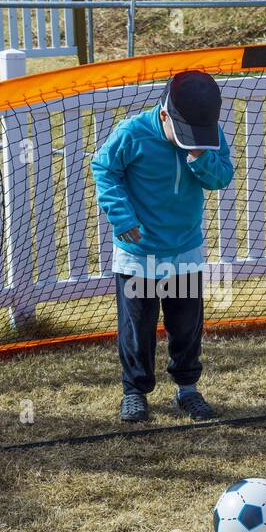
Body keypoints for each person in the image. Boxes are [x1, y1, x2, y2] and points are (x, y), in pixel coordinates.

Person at [90, 70, 234, 423]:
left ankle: (187, 389)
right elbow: (104, 169)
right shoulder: (131, 133)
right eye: (184, 134)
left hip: (184, 252)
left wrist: (200, 155)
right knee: (137, 328)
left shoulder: (209, 135)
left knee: (186, 326)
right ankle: (135, 391)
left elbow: (222, 178)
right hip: (138, 256)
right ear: (165, 114)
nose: (190, 140)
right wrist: (122, 218)